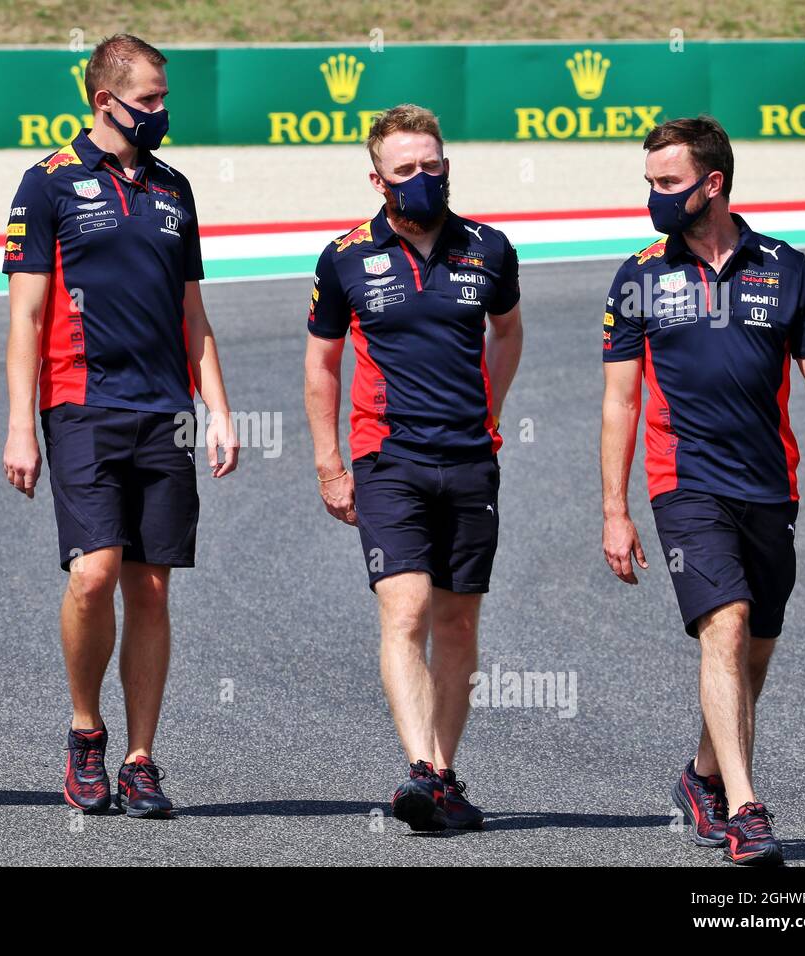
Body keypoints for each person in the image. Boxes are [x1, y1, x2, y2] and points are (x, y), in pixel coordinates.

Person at [600, 115, 805, 866]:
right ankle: (745, 810)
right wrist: (616, 510)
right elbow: (620, 402)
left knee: (756, 644)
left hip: (768, 486)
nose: (654, 196)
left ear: (711, 184)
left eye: (668, 183)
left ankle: (703, 775)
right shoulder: (639, 276)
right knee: (725, 623)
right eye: (650, 182)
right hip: (683, 483)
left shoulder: (784, 267)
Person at [1, 34, 237, 819]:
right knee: (93, 572)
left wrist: (218, 409)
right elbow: (25, 316)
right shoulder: (48, 184)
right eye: (150, 101)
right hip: (79, 402)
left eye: (166, 98)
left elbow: (193, 312)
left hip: (164, 409)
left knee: (152, 586)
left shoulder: (175, 188)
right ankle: (84, 731)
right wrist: (19, 426)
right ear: (105, 102)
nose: (163, 112)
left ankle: (139, 759)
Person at [303, 104, 523, 831]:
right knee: (406, 610)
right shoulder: (343, 257)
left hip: (469, 458)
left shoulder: (489, 248)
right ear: (378, 179)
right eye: (405, 170)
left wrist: (490, 410)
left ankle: (445, 774)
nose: (421, 178)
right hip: (386, 458)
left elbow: (508, 330)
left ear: (447, 166)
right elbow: (322, 365)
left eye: (431, 165)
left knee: (458, 622)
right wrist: (332, 463)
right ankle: (422, 768)